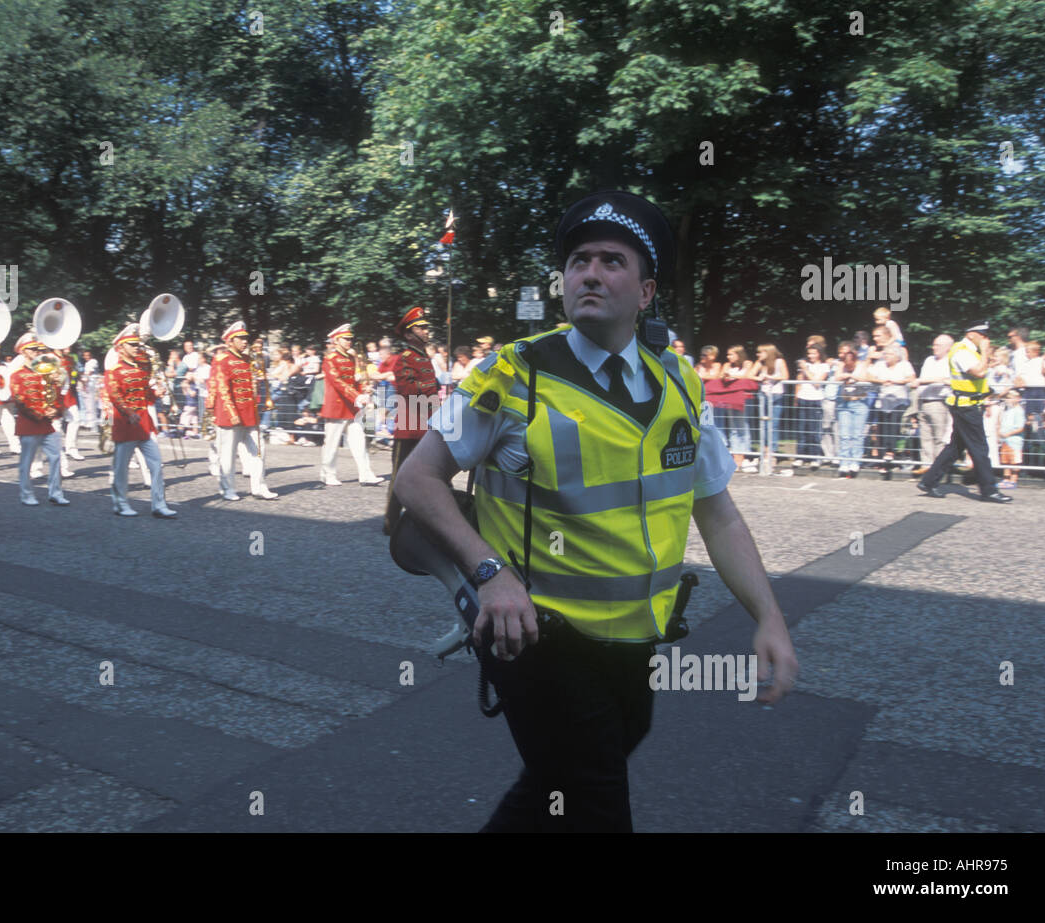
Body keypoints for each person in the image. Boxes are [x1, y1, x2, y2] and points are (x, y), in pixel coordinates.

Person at [394, 190, 797, 832]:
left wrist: (769, 617)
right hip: (537, 637)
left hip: (638, 636)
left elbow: (717, 513)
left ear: (645, 292)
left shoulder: (680, 384)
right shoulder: (512, 373)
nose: (590, 272)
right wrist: (490, 573)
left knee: (568, 777)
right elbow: (417, 480)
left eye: (613, 260)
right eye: (579, 260)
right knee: (595, 799)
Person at [918, 322, 1012, 502]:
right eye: (983, 335)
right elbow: (979, 372)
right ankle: (989, 490)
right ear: (971, 334)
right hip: (965, 406)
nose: (986, 339)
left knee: (955, 447)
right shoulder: (962, 352)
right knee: (979, 448)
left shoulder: (969, 352)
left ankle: (929, 481)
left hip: (967, 404)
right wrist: (985, 351)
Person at [105, 325, 177, 518]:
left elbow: (145, 393)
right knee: (121, 467)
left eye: (138, 344)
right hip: (126, 424)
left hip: (144, 423)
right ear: (121, 347)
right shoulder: (114, 371)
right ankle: (120, 504)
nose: (137, 347)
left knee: (156, 463)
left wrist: (156, 393)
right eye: (133, 344)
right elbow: (114, 395)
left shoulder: (141, 368)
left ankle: (159, 504)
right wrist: (129, 412)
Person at [381, 306, 436, 535]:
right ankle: (390, 521)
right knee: (399, 476)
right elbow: (408, 389)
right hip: (409, 427)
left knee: (429, 474)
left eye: (425, 327)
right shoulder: (404, 359)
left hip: (426, 425)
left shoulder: (424, 356)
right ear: (409, 334)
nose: (426, 331)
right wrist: (432, 389)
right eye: (421, 328)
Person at [211, 322, 278, 501]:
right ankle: (227, 489)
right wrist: (232, 414)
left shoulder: (248, 359)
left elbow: (251, 387)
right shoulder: (222, 359)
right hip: (230, 414)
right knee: (228, 454)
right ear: (230, 341)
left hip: (249, 413)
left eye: (245, 338)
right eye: (240, 338)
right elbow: (223, 389)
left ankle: (259, 487)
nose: (244, 341)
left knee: (259, 450)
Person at [316, 324, 383, 488]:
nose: (349, 341)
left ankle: (366, 474)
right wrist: (357, 395)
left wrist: (364, 389)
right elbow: (337, 382)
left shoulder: (351, 358)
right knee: (331, 443)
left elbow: (353, 380)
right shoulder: (330, 359)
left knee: (359, 441)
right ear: (336, 340)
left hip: (351, 407)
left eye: (350, 339)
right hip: (336, 406)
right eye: (346, 339)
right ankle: (328, 474)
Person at [10, 334, 70, 507]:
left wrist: (55, 409)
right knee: (26, 462)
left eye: (39, 349)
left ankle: (56, 492)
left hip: (47, 424)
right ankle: (26, 494)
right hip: (29, 423)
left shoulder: (47, 372)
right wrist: (42, 413)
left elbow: (55, 395)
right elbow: (20, 400)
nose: (37, 352)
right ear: (23, 352)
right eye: (33, 349)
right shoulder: (17, 375)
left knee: (55, 456)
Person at [866, 344, 915, 476]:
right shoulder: (880, 365)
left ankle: (891, 455)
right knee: (882, 429)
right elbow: (868, 376)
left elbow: (911, 378)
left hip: (899, 401)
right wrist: (881, 381)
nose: (886, 356)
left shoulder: (905, 365)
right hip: (883, 401)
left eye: (890, 354)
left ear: (897, 356)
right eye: (886, 354)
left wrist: (898, 382)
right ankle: (883, 460)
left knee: (894, 428)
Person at [912, 334, 954, 477]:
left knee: (939, 437)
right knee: (925, 437)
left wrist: (923, 381)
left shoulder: (950, 361)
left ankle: (937, 470)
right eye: (934, 344)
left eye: (938, 345)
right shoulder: (929, 360)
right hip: (924, 401)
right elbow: (926, 379)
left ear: (948, 347)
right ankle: (926, 466)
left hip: (939, 402)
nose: (934, 347)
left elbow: (944, 380)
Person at [833, 341, 872, 477]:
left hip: (859, 403)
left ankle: (855, 461)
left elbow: (865, 378)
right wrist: (843, 375)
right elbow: (837, 377)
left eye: (850, 362)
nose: (848, 364)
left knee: (857, 435)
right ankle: (844, 461)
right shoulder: (841, 365)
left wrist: (852, 376)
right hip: (844, 403)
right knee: (844, 434)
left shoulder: (862, 364)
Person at [749, 343, 789, 471]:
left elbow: (785, 376)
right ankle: (765, 451)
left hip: (776, 394)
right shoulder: (760, 363)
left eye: (760, 352)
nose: (758, 354)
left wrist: (770, 377)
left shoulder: (779, 361)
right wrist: (759, 377)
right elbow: (749, 375)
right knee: (764, 424)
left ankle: (772, 453)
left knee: (773, 424)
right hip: (763, 395)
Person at [793, 344, 829, 468]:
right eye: (809, 353)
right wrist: (796, 396)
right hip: (804, 397)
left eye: (814, 353)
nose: (811, 356)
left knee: (814, 430)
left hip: (816, 399)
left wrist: (806, 370)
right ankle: (800, 456)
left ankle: (815, 457)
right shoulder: (804, 365)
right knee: (802, 429)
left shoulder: (824, 366)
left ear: (819, 353)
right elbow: (799, 380)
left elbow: (817, 383)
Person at [997, 390, 1025, 488]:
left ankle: (1013, 480)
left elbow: (1020, 427)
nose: (1008, 400)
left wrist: (1008, 434)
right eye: (1007, 398)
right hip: (1005, 440)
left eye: (1010, 397)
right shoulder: (1007, 410)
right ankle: (1006, 479)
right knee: (1005, 461)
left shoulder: (1019, 411)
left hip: (1014, 441)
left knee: (1014, 461)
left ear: (1018, 399)